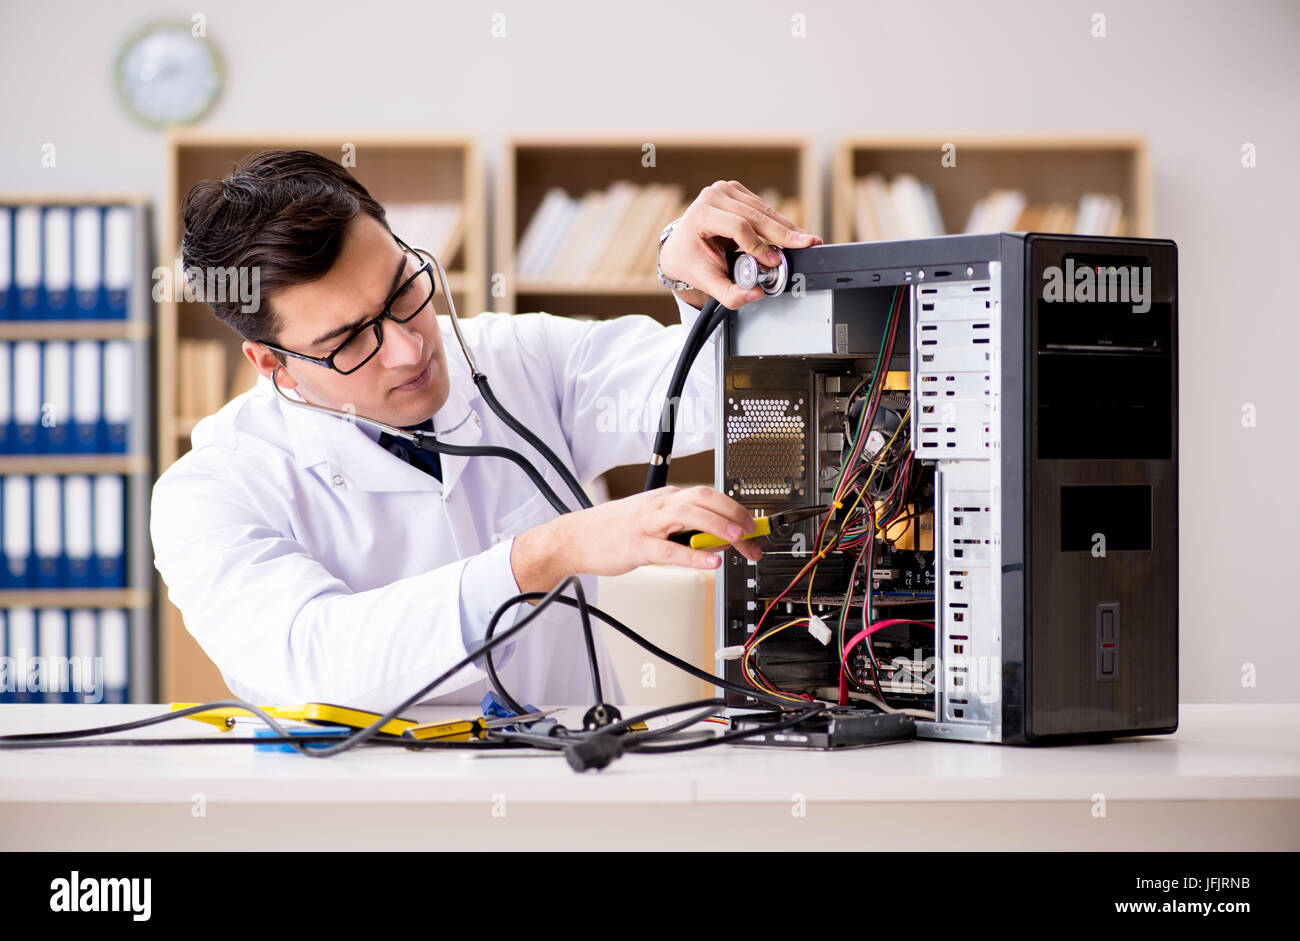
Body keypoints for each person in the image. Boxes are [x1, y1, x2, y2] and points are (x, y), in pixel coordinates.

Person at [150, 149, 823, 709]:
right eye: (350, 339)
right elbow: (312, 658)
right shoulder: (213, 489)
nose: (411, 350)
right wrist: (545, 553)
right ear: (274, 365)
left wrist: (695, 275)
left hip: (585, 790)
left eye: (403, 289)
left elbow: (716, 393)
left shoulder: (517, 357)